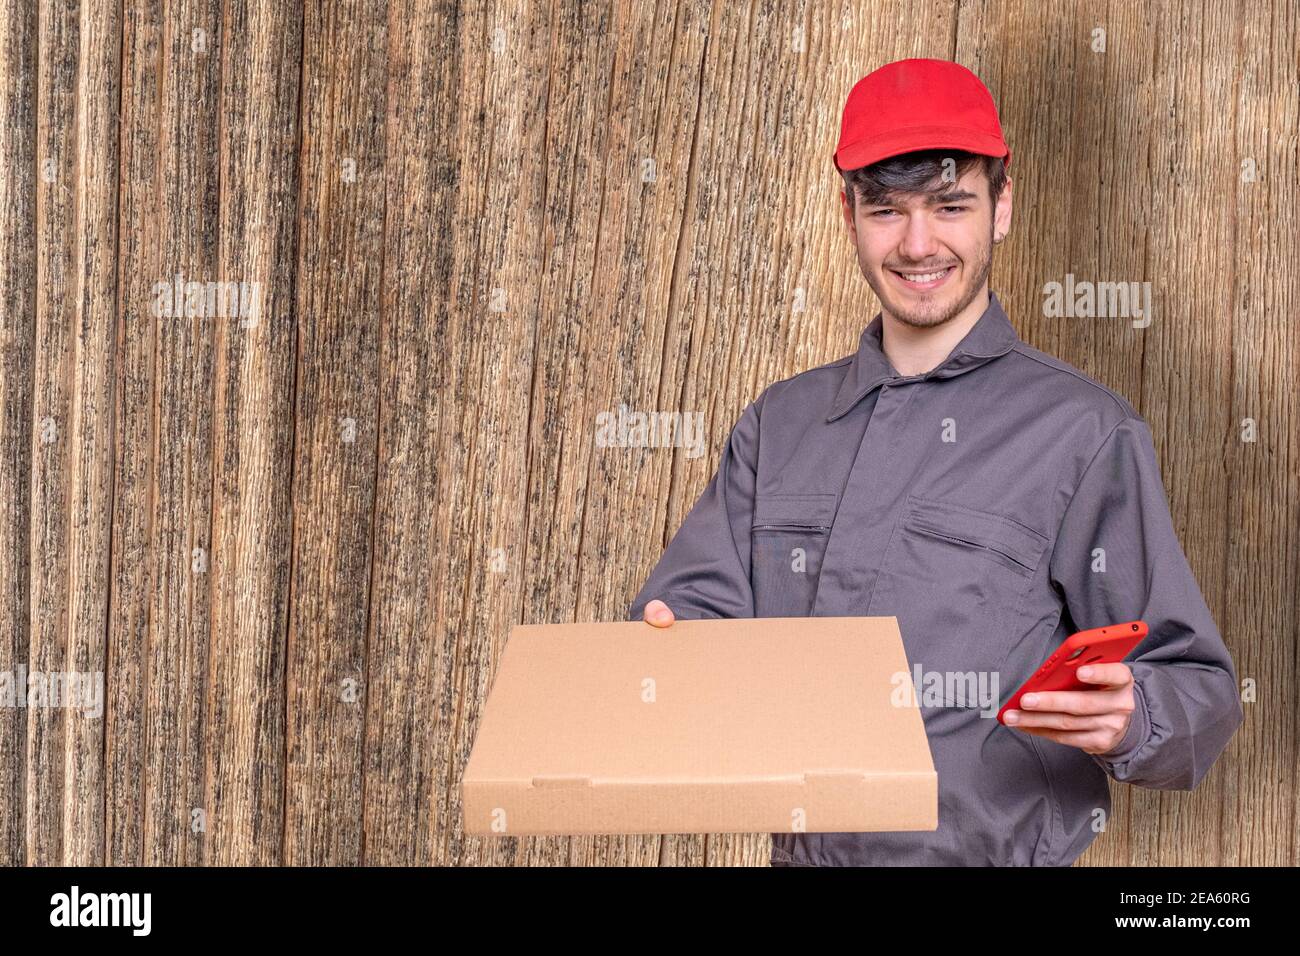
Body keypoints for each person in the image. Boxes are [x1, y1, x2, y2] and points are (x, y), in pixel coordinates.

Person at [626, 58, 1243, 866]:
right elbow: (689, 621)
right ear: (847, 213)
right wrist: (666, 655)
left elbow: (1199, 687)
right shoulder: (780, 425)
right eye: (887, 210)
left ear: (1002, 206)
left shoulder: (1085, 434)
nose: (919, 245)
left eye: (951, 205)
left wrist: (1136, 717)